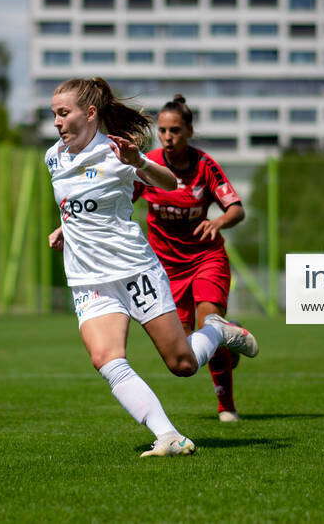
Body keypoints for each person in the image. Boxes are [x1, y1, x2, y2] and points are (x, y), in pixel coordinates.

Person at [45, 77, 258, 457]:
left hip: (134, 270)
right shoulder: (53, 157)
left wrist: (139, 161)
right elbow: (78, 202)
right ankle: (169, 436)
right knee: (105, 359)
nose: (57, 122)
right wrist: (65, 226)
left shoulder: (118, 153)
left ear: (89, 113)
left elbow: (170, 183)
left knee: (182, 363)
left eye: (64, 113)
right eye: (54, 115)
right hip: (88, 278)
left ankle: (216, 332)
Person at [134, 95, 247, 422]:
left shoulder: (205, 166)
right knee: (185, 350)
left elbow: (236, 209)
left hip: (205, 259)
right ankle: (228, 337)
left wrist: (218, 222)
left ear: (189, 131)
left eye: (175, 130)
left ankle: (226, 407)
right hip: (166, 268)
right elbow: (122, 199)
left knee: (208, 322)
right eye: (163, 130)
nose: (168, 137)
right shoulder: (148, 164)